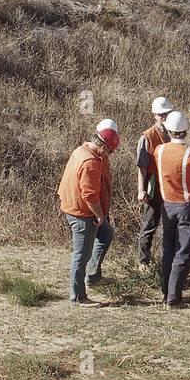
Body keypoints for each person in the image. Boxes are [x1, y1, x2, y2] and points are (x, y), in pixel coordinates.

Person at [57, 118, 120, 306]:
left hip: (79, 208)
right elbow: (90, 195)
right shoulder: (91, 162)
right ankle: (77, 297)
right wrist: (100, 214)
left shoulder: (82, 150)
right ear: (102, 146)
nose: (110, 154)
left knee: (106, 234)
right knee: (81, 254)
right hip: (82, 213)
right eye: (110, 151)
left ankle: (93, 276)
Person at [155, 110, 190, 307]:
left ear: (168, 130)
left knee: (168, 250)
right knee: (183, 252)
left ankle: (166, 293)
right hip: (187, 207)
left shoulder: (159, 151)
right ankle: (173, 298)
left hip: (167, 206)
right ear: (185, 131)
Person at [136, 96, 174, 266]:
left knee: (170, 225)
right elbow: (142, 167)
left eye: (166, 113)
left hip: (170, 185)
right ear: (155, 115)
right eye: (161, 114)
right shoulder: (147, 136)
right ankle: (143, 263)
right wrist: (141, 190)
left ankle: (167, 261)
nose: (164, 117)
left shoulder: (173, 133)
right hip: (153, 184)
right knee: (149, 225)